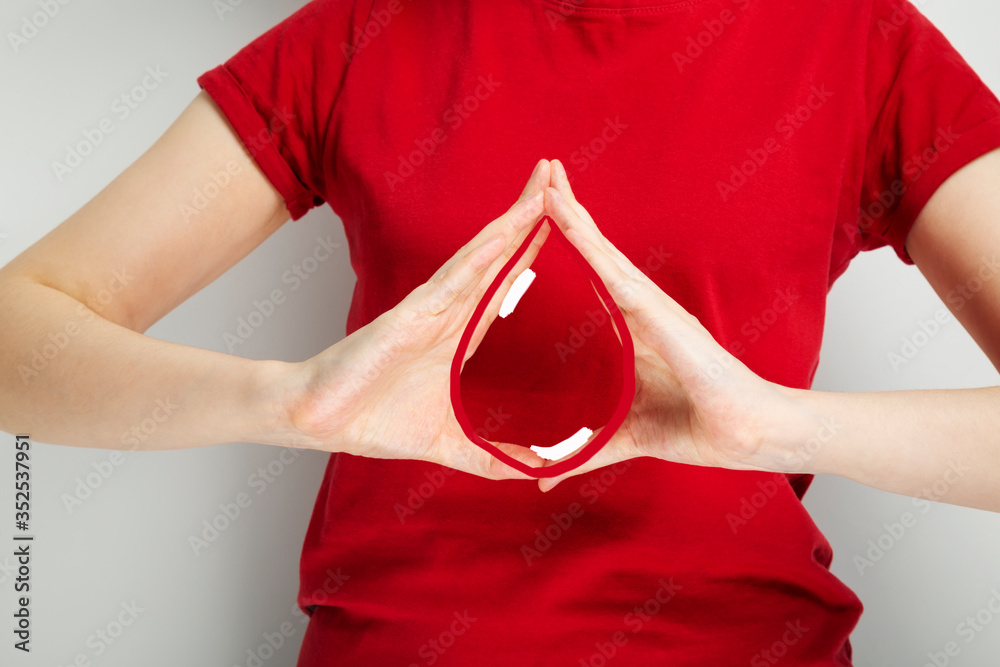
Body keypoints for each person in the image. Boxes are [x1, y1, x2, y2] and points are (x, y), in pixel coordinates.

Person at [1, 0, 999, 664]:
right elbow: (23, 330)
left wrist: (777, 428)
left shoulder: (859, 40)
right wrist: (291, 400)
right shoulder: (366, 30)